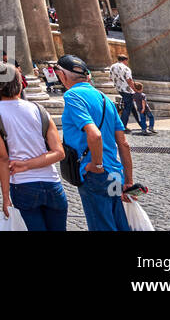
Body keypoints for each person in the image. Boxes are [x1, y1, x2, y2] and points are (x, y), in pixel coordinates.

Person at [0, 60, 67, 231]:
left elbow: (3, 157)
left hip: (23, 186)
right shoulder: (40, 110)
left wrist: (6, 198)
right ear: (19, 83)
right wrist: (29, 164)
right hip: (53, 185)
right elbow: (59, 153)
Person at [57, 54, 135, 231]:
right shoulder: (105, 99)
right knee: (118, 221)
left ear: (61, 75)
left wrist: (96, 165)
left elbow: (94, 134)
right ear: (88, 76)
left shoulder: (72, 96)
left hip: (96, 175)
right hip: (115, 174)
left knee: (102, 225)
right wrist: (128, 180)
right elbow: (123, 144)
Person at [108, 55, 136, 132]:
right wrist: (135, 89)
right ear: (125, 60)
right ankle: (122, 126)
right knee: (127, 108)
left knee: (130, 107)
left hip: (119, 89)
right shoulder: (126, 68)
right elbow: (129, 80)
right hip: (127, 90)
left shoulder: (112, 66)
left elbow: (110, 78)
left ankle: (141, 123)